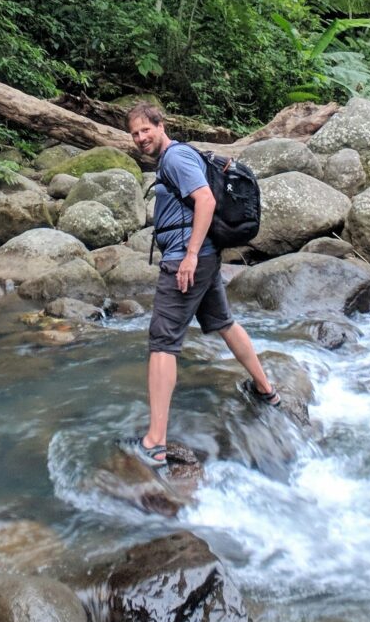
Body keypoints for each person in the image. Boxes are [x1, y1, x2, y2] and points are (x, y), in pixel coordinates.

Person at [117, 102, 280, 469]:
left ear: (161, 126)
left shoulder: (175, 158)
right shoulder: (175, 158)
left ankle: (154, 442)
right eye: (135, 133)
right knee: (223, 322)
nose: (141, 138)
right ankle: (267, 391)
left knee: (162, 341)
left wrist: (190, 255)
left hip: (188, 261)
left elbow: (205, 200)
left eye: (146, 130)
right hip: (203, 257)